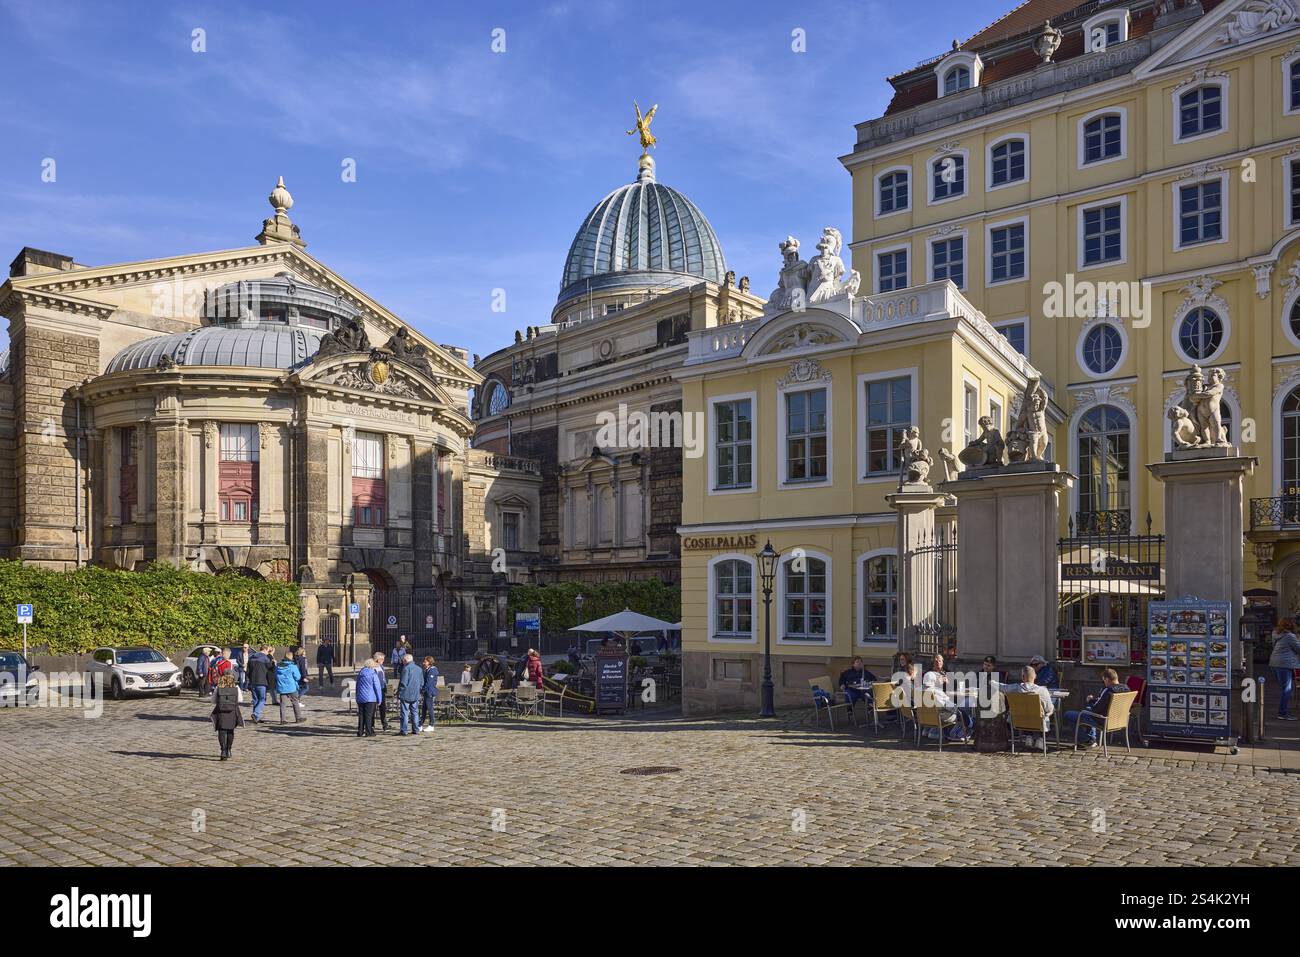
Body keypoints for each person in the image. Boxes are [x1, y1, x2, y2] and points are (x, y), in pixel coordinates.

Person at [1064, 667, 1122, 747]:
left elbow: (1096, 708)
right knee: (1088, 710)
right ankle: (1091, 739)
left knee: (1068, 715)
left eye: (1104, 680)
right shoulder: (1126, 689)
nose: (1104, 683)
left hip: (1102, 721)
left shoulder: (1108, 690)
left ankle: (1087, 740)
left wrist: (1090, 700)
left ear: (1107, 679)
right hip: (1118, 721)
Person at [1005, 665, 1055, 749]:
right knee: (1049, 711)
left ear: (1022, 677)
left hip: (1020, 722)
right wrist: (1052, 710)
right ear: (1035, 676)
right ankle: (1040, 739)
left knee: (1027, 713)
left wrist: (992, 683)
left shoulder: (1015, 689)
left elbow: (1002, 687)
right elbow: (1049, 709)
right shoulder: (1042, 690)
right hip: (1038, 722)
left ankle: (1029, 737)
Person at [1270, 619, 1300, 720]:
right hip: (1285, 664)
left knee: (1285, 689)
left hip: (1275, 663)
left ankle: (1284, 711)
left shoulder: (1276, 634)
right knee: (1287, 689)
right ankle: (1282, 713)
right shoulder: (1290, 636)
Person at [210, 673, 244, 761]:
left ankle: (223, 751)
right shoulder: (236, 688)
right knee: (230, 731)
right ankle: (229, 750)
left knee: (221, 731)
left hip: (221, 712)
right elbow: (240, 700)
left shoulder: (218, 687)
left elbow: (213, 701)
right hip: (232, 712)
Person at [355, 657, 383, 737]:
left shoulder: (360, 673)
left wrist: (357, 696)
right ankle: (369, 732)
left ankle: (360, 731)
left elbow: (357, 685)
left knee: (361, 715)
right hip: (370, 698)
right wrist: (379, 699)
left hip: (360, 697)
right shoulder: (373, 674)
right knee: (369, 715)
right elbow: (377, 687)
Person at [397, 651, 424, 735]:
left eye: (403, 661)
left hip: (406, 694)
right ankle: (416, 729)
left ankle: (404, 730)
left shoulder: (406, 669)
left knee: (405, 713)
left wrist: (399, 692)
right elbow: (422, 683)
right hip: (415, 694)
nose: (402, 662)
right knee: (415, 713)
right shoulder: (419, 669)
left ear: (405, 660)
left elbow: (403, 682)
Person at [275, 652, 305, 725]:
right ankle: (298, 718)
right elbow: (298, 677)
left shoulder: (278, 666)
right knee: (295, 702)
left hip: (282, 687)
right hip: (291, 687)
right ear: (291, 657)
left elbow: (275, 675)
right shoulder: (292, 666)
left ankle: (283, 720)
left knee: (283, 704)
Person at [247, 646, 274, 724]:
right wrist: (273, 663)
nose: (268, 653)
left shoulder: (251, 658)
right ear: (265, 650)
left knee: (255, 700)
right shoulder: (265, 658)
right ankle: (255, 714)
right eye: (268, 651)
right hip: (262, 682)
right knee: (262, 699)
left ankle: (256, 718)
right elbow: (270, 668)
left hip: (253, 682)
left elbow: (248, 671)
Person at [420, 656, 440, 732]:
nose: (423, 663)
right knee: (424, 709)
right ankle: (420, 724)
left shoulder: (432, 670)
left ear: (429, 662)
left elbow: (429, 682)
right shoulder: (427, 669)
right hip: (427, 691)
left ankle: (431, 724)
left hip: (429, 691)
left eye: (425, 662)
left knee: (430, 708)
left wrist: (423, 690)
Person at [373, 651, 390, 732]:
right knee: (373, 708)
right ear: (378, 659)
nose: (383, 661)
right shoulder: (373, 667)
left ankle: (384, 724)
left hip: (382, 689)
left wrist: (385, 686)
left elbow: (383, 678)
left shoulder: (381, 667)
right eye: (382, 659)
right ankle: (371, 725)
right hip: (375, 690)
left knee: (383, 707)